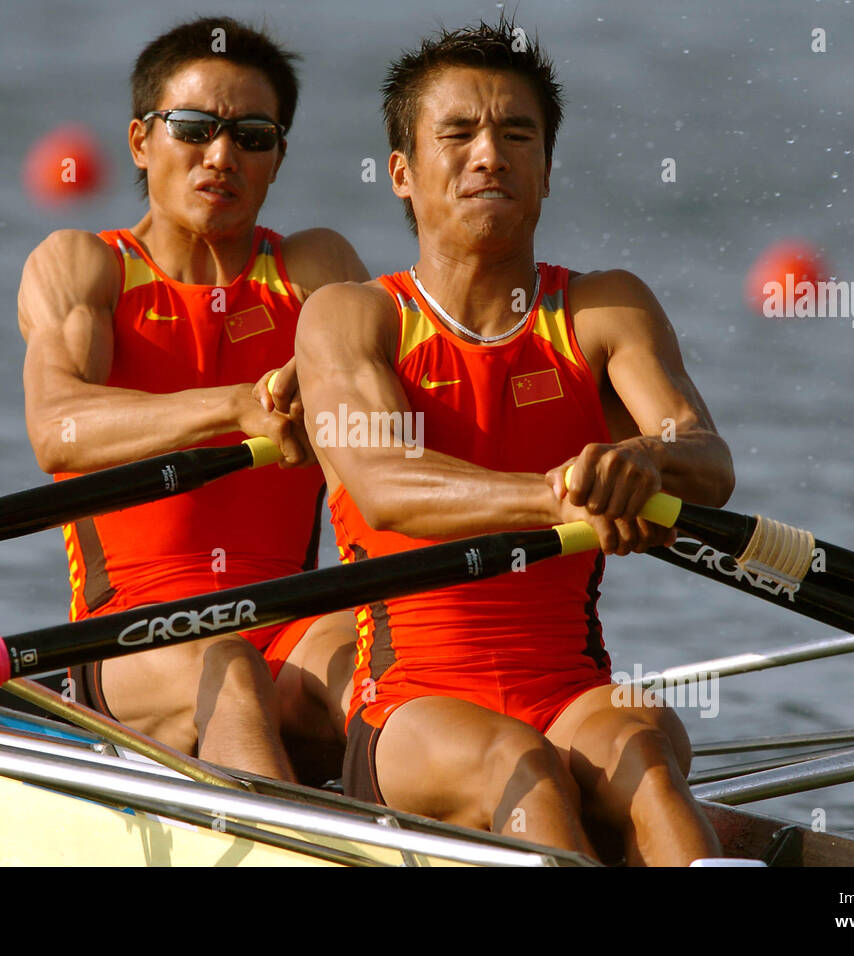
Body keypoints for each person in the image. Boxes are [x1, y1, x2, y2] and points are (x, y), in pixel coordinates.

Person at [296, 19, 735, 863]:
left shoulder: (604, 308)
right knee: (521, 764)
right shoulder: (354, 317)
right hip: (408, 708)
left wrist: (644, 460)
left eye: (516, 135)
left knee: (646, 753)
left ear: (544, 172)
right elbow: (389, 485)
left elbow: (708, 459)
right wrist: (563, 495)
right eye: (457, 134)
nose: (489, 155)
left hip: (574, 689)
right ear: (402, 174)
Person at [17, 16, 366, 783]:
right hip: (130, 637)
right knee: (230, 666)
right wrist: (235, 408)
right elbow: (58, 428)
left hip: (297, 621)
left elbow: (385, 420)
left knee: (390, 677)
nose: (222, 155)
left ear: (278, 156)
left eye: (252, 135)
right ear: (142, 142)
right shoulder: (87, 267)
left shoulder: (314, 266)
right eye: (195, 128)